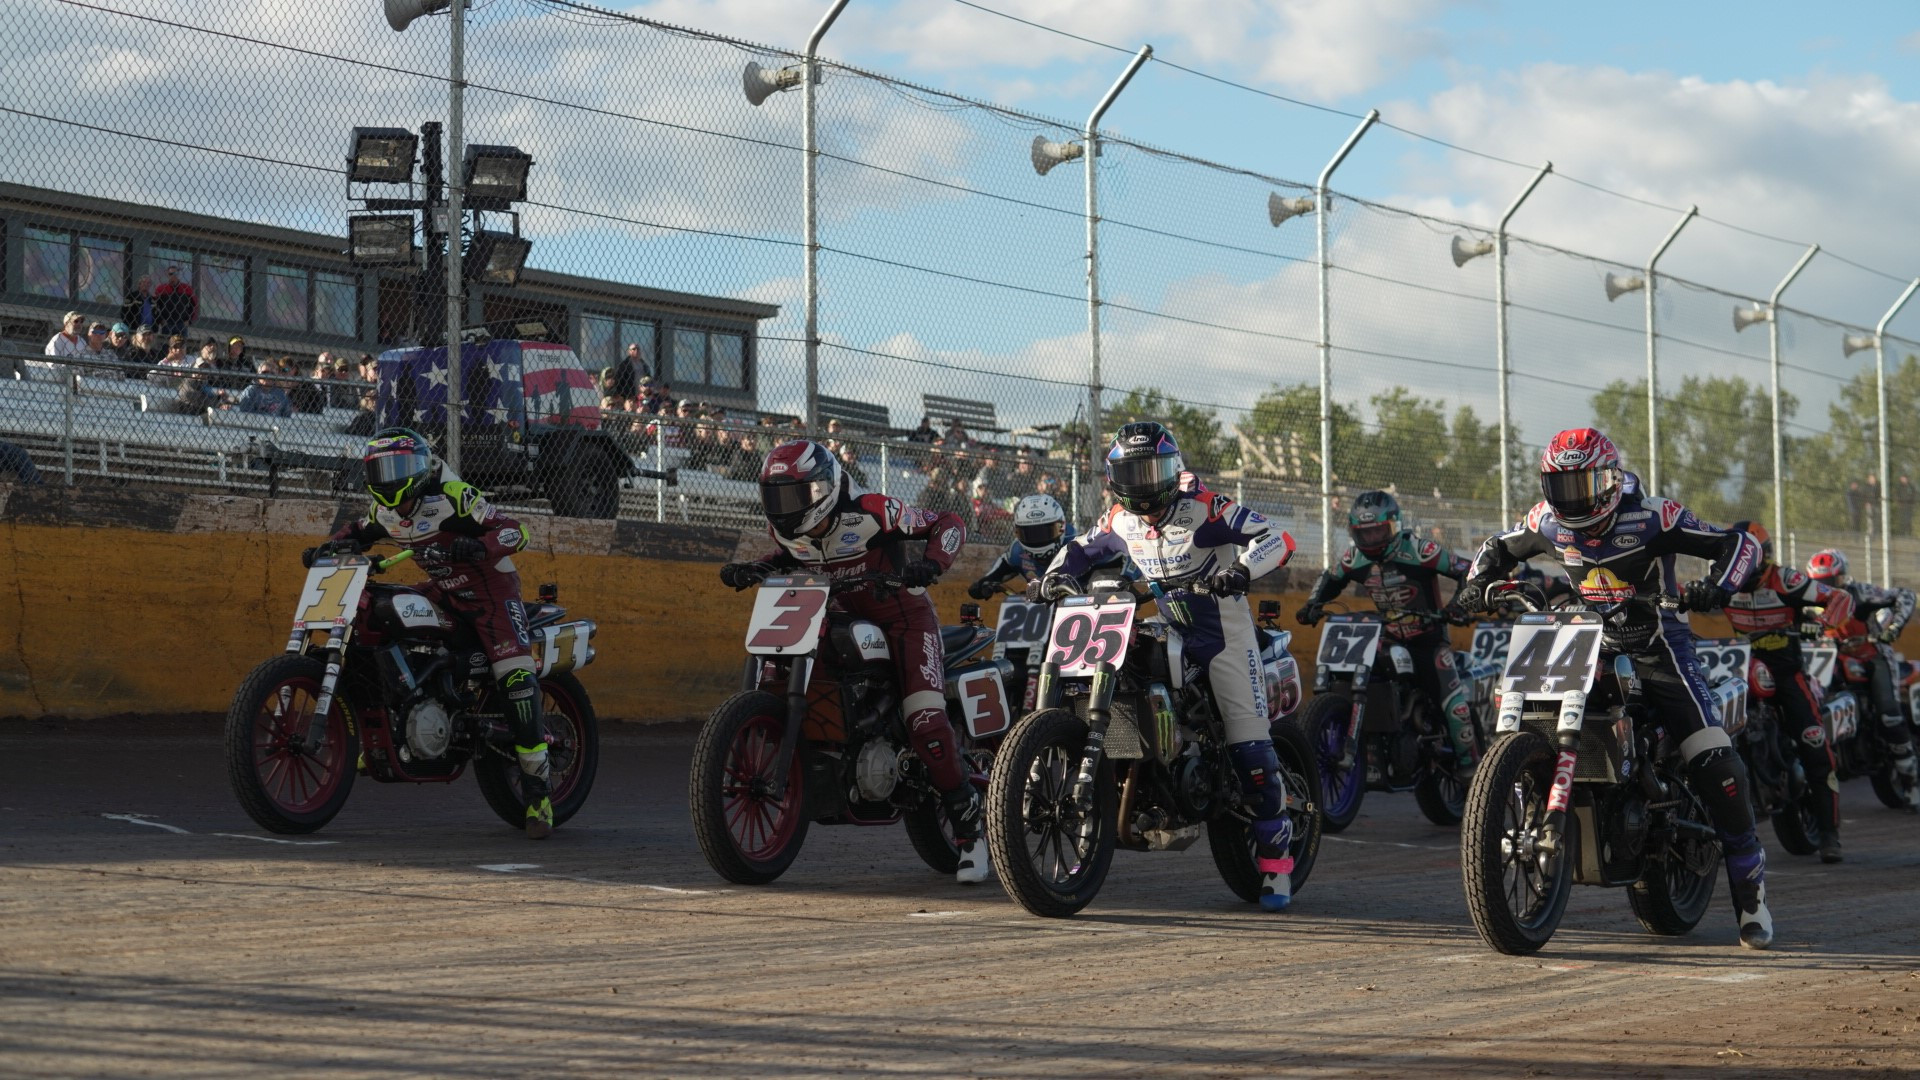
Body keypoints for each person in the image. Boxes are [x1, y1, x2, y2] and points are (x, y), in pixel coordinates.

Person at [1454, 427, 1773, 949]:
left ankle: (1750, 890)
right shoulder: (1547, 520)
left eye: (1583, 485)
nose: (1572, 498)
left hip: (1657, 642)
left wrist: (1717, 587)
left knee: (1709, 751)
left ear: (1610, 479)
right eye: (1562, 486)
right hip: (1582, 638)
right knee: (1526, 708)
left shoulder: (1653, 515)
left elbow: (1738, 543)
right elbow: (1498, 546)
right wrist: (1476, 585)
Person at [1038, 421, 1301, 910]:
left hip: (1224, 635)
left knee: (1250, 748)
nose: (1141, 482)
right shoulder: (1119, 519)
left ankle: (1276, 862)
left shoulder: (1205, 507)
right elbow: (1077, 550)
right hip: (1170, 626)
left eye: (1151, 470)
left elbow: (1277, 537)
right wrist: (1053, 579)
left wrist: (1240, 570)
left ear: (1172, 468)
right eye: (1130, 472)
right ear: (1115, 476)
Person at [718, 440, 989, 884]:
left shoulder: (871, 508)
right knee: (778, 674)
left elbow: (948, 521)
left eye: (794, 495)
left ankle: (968, 827)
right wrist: (757, 566)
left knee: (923, 718)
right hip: (832, 614)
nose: (784, 506)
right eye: (776, 496)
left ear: (823, 488)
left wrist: (932, 564)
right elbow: (795, 556)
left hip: (903, 618)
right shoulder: (786, 530)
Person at [314, 429, 554, 836]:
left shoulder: (453, 495)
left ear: (421, 468)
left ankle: (539, 797)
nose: (390, 479)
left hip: (492, 594)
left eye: (399, 468)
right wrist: (324, 549)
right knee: (383, 616)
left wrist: (481, 547)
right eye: (381, 469)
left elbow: (517, 531)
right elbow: (356, 532)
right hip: (444, 592)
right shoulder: (384, 512)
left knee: (514, 678)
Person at [1295, 490, 1478, 781]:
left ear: (1394, 525)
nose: (1371, 540)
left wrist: (1457, 606)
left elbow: (1467, 571)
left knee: (1452, 701)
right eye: (1363, 534)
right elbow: (1329, 578)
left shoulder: (1419, 549)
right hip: (1387, 636)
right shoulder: (1354, 557)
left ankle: (1472, 766)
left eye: (1378, 531)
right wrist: (1312, 605)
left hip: (1428, 638)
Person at [1723, 522, 1852, 861]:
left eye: (1747, 558)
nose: (1740, 566)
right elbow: (1678, 597)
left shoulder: (1787, 580)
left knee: (1813, 740)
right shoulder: (1720, 582)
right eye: (1734, 557)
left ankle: (1828, 833)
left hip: (1786, 672)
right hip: (1739, 670)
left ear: (1762, 558)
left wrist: (1823, 624)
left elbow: (1838, 597)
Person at [1806, 548, 1919, 803]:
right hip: (1830, 659)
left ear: (1842, 579)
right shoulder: (1806, 601)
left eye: (1830, 582)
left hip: (1871, 655)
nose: (1824, 588)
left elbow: (1906, 595)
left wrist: (1893, 628)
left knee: (1889, 714)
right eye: (1818, 583)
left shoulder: (1861, 592)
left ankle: (1911, 781)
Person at [152, 265, 197, 337]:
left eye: (175, 274)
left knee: (182, 345)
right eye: (170, 274)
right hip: (167, 323)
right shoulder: (161, 289)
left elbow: (194, 305)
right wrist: (160, 320)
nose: (173, 276)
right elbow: (154, 306)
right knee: (165, 345)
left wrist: (189, 320)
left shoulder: (187, 288)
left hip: (182, 323)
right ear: (167, 275)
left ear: (178, 275)